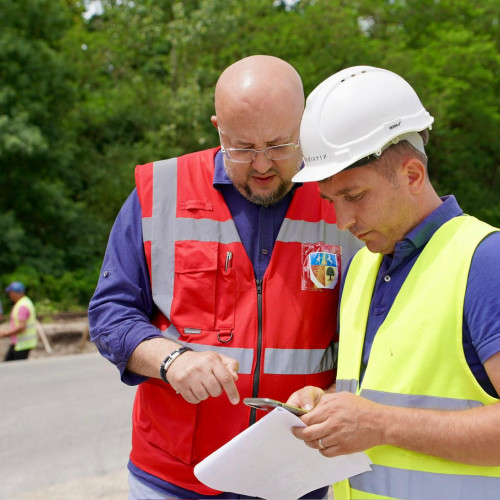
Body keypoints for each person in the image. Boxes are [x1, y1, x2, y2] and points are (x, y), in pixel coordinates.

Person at [88, 55, 362, 500]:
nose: (261, 165)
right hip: (175, 477)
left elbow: (374, 329)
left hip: (295, 473)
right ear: (217, 126)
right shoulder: (159, 191)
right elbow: (109, 315)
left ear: (305, 122)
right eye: (241, 147)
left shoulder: (344, 199)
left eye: (278, 144)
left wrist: (333, 392)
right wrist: (170, 360)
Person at [287, 65, 500, 499]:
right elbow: (385, 392)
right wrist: (327, 403)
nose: (342, 221)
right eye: (330, 201)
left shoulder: (485, 261)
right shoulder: (365, 265)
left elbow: (382, 416)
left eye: (354, 196)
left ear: (412, 176)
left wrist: (380, 424)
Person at [0, 281, 38, 361]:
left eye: (10, 293)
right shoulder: (25, 302)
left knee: (13, 368)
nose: (9, 295)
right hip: (20, 343)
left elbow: (21, 327)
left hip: (22, 344)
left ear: (15, 293)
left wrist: (5, 334)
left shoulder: (22, 306)